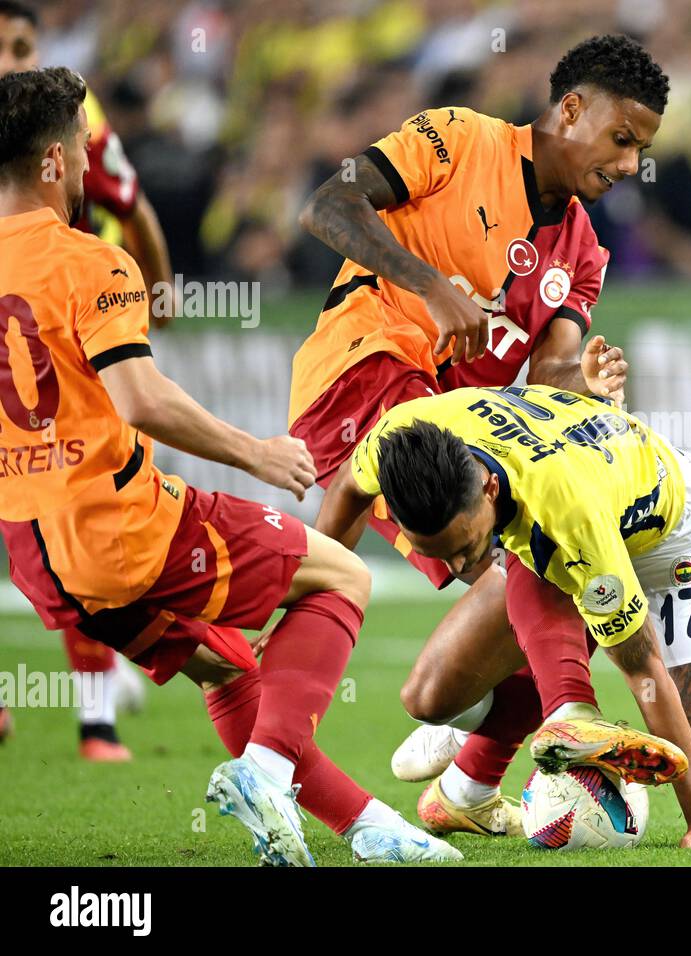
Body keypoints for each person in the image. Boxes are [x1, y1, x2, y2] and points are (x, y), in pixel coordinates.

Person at [0, 66, 452, 865]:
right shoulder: (87, 261)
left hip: (40, 556)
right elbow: (140, 399)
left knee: (227, 665)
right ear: (50, 164)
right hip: (125, 528)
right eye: (76, 149)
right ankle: (269, 775)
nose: (82, 168)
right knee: (345, 575)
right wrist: (258, 452)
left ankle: (370, 830)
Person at [290, 34, 663, 838]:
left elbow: (548, 376)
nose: (631, 164)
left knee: (560, 578)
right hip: (366, 374)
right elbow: (327, 204)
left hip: (463, 439)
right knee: (541, 574)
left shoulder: (584, 251)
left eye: (643, 149)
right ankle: (545, 719)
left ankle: (466, 765)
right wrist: (430, 288)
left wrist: (584, 387)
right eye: (623, 139)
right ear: (571, 110)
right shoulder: (456, 139)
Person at [316, 386, 691, 846]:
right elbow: (346, 488)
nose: (455, 566)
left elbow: (642, 665)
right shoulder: (400, 442)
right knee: (429, 696)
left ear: (488, 490)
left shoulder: (563, 515)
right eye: (437, 553)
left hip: (681, 539)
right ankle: (517, 733)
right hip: (577, 526)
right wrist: (309, 603)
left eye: (463, 547)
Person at [0, 0, 174, 760]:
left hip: (72, 329)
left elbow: (132, 209)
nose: (8, 57)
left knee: (75, 501)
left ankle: (98, 720)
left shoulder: (74, 115)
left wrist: (159, 298)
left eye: (19, 44)